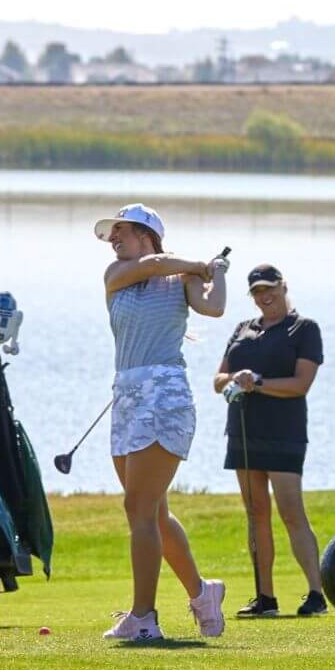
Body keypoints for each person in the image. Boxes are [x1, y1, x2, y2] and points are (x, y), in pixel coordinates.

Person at [95, 203, 230, 642]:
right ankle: (203, 592)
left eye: (122, 232)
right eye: (112, 234)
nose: (114, 240)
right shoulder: (116, 276)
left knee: (139, 509)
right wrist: (199, 264)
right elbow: (155, 264)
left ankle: (144, 617)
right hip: (127, 396)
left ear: (147, 234)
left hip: (165, 393)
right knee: (153, 511)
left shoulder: (181, 279)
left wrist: (217, 272)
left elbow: (214, 307)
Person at [214, 264, 327, 619]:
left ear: (283, 287)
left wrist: (259, 382)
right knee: (256, 514)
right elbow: (218, 380)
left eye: (270, 290)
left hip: (285, 431)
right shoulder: (242, 329)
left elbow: (300, 384)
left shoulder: (303, 329)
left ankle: (315, 594)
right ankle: (266, 597)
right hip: (244, 431)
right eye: (258, 292)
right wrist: (238, 377)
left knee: (292, 512)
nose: (265, 297)